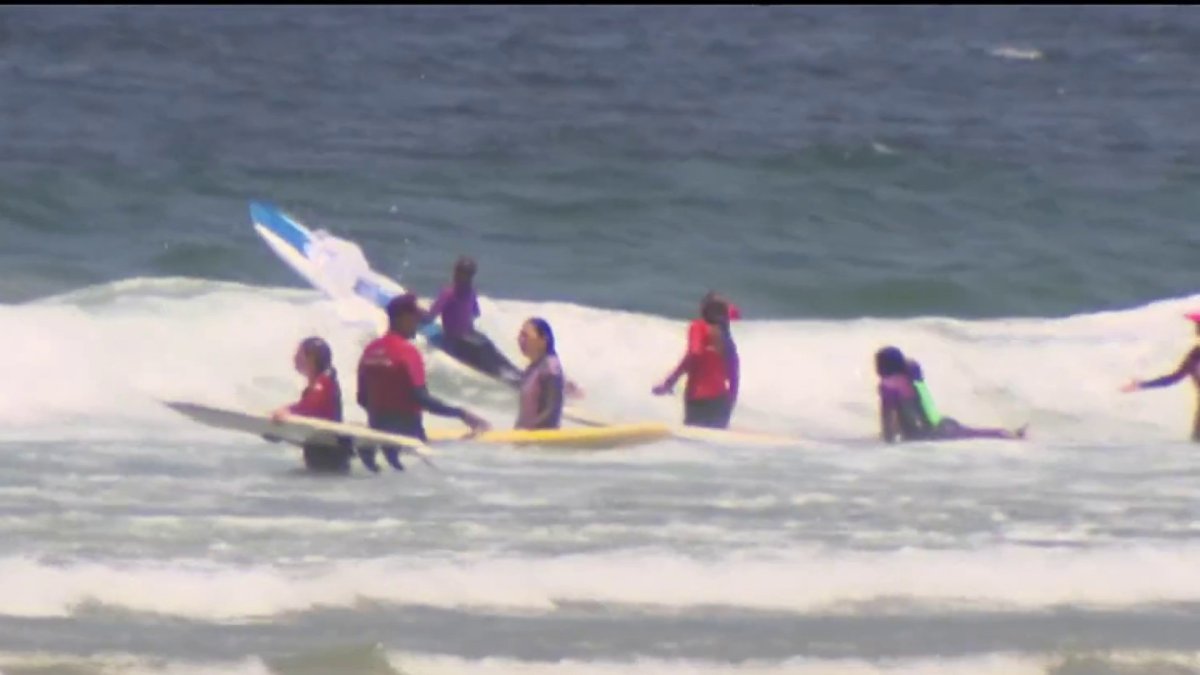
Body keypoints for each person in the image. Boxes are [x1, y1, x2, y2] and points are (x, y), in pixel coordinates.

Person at [358, 293, 490, 472]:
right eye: (415, 317)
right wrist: (461, 414)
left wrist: (383, 416)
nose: (418, 323)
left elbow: (362, 398)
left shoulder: (370, 350)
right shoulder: (407, 352)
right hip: (409, 443)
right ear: (403, 318)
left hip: (378, 437)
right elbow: (422, 398)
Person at [875, 346, 1026, 443]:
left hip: (926, 435)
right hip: (940, 424)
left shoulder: (888, 386)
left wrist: (887, 441)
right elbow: (923, 404)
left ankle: (1009, 435)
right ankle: (1008, 434)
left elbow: (887, 420)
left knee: (974, 434)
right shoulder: (912, 377)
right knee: (977, 433)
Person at [422, 256, 525, 386]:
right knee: (490, 351)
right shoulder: (471, 292)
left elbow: (430, 317)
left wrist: (417, 313)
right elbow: (476, 313)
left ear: (458, 273)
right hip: (471, 334)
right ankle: (522, 376)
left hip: (455, 341)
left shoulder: (448, 293)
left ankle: (515, 383)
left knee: (488, 358)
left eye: (457, 271)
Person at [652, 292, 740, 429]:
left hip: (699, 398)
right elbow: (734, 370)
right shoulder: (725, 335)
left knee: (694, 441)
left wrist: (669, 383)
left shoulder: (698, 327)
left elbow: (694, 354)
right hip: (721, 400)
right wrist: (731, 399)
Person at [270, 337, 353, 473]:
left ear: (312, 358)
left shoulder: (323, 383)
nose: (294, 358)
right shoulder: (321, 382)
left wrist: (288, 411)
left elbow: (310, 407)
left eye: (299, 354)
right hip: (325, 451)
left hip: (328, 454)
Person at [1120, 312, 1200, 441]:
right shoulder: (1195, 354)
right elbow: (1175, 377)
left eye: (1197, 326)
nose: (1195, 330)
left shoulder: (1195, 355)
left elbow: (1174, 378)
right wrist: (1142, 385)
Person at [515, 318, 565, 430]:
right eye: (520, 335)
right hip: (528, 441)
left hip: (542, 443)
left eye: (525, 335)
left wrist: (527, 431)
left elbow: (552, 411)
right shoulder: (532, 368)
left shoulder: (551, 367)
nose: (520, 339)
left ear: (543, 340)